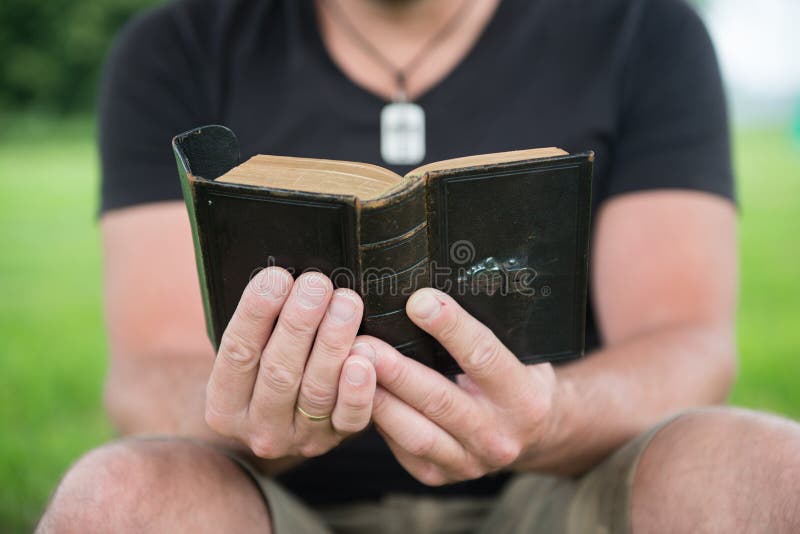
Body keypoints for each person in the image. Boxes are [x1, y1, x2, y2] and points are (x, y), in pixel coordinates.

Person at [37, 0, 800, 532]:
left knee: (768, 471)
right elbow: (147, 371)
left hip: (560, 492)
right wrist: (253, 405)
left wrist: (550, 416)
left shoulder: (647, 30)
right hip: (273, 503)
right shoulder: (173, 46)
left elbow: (688, 343)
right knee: (116, 497)